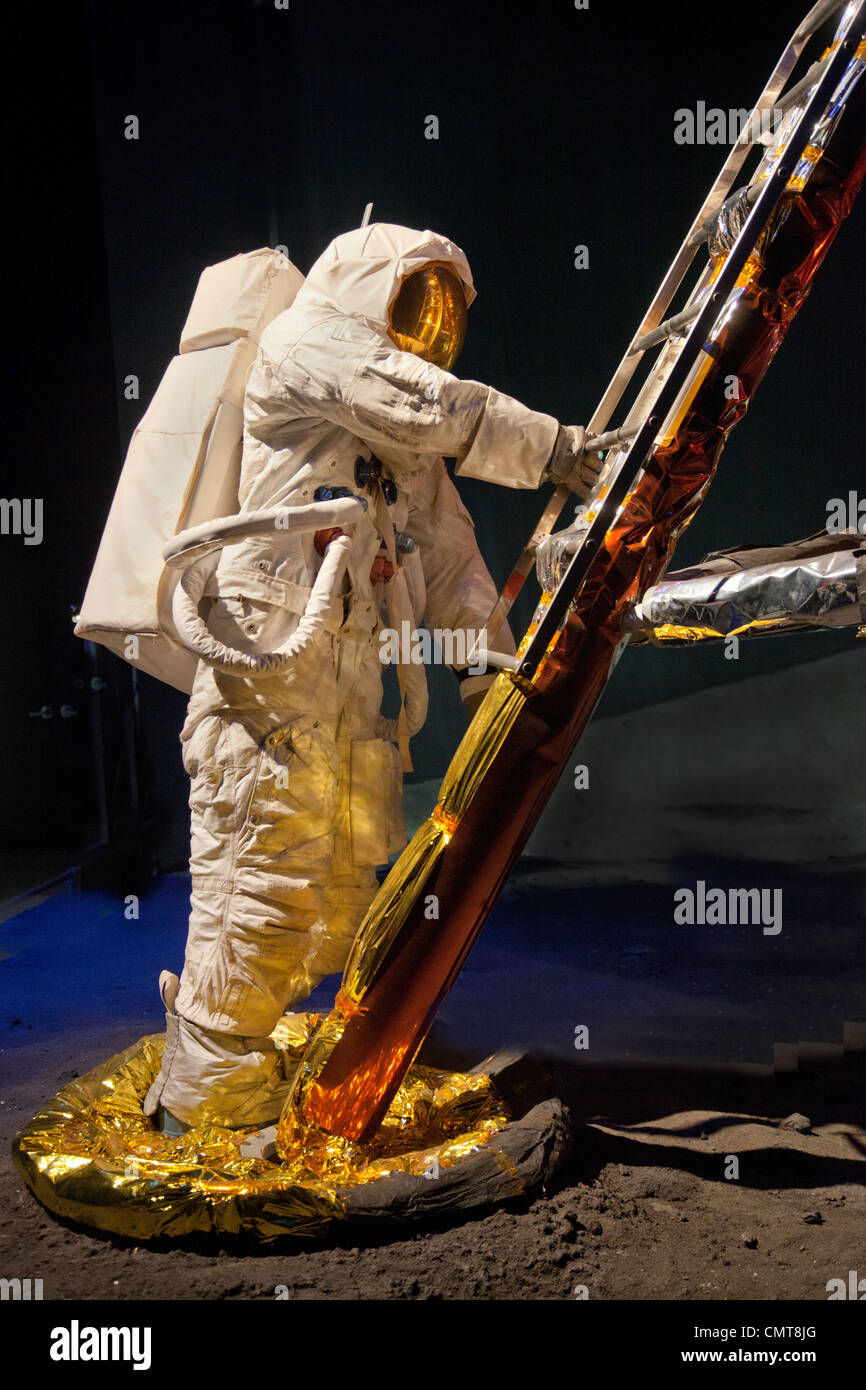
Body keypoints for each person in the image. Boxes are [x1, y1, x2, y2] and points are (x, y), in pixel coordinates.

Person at [143, 222, 600, 1131]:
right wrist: (556, 448)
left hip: (349, 676)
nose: (428, 331)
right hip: (267, 665)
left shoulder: (393, 441)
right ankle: (203, 1098)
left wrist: (486, 676)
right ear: (366, 286)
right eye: (415, 301)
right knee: (262, 866)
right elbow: (429, 404)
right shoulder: (311, 342)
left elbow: (449, 549)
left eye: (444, 316)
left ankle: (302, 1065)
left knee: (346, 873)